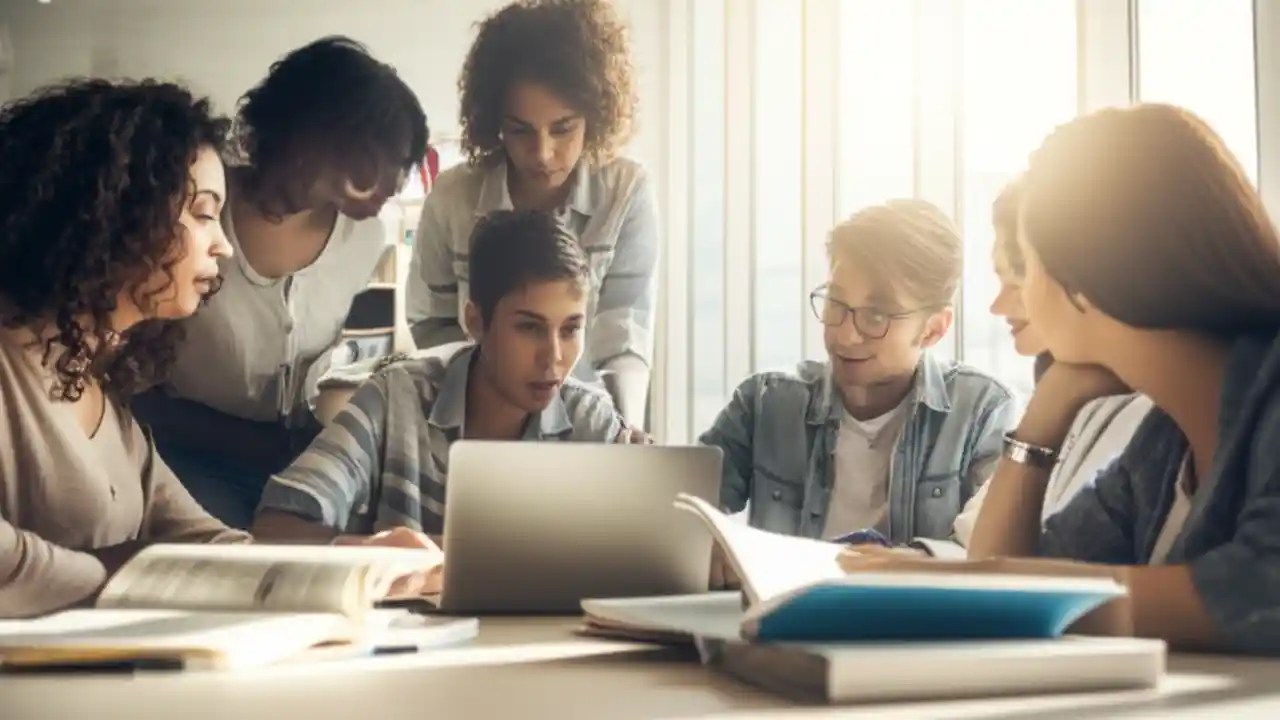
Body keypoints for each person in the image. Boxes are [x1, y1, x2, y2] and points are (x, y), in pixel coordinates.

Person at [844, 104, 1280, 655]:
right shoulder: (1161, 450)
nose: (1012, 297)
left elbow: (1257, 589)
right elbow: (1024, 577)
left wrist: (959, 586)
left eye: (1024, 263)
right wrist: (1045, 416)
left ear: (1085, 269)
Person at [132, 37, 429, 529]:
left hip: (304, 461)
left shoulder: (366, 239)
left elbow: (347, 370)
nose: (389, 183)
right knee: (232, 557)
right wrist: (256, 443)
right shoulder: (198, 214)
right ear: (307, 132)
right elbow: (133, 382)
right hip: (186, 453)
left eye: (398, 168)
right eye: (374, 158)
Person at [253, 210, 630, 542]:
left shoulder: (590, 421)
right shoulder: (396, 398)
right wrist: (380, 555)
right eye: (529, 328)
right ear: (475, 321)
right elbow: (278, 524)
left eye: (570, 329)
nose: (555, 357)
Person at [700, 200, 1018, 544]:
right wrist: (711, 543)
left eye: (876, 316)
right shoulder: (764, 403)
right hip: (790, 599)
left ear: (933, 329)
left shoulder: (981, 411)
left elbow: (991, 549)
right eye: (836, 305)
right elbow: (681, 510)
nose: (846, 335)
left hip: (911, 600)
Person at [406, 0, 657, 427]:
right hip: (479, 420)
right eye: (520, 130)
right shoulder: (451, 198)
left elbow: (623, 338)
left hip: (587, 424)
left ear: (595, 118)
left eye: (563, 128)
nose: (542, 154)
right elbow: (432, 325)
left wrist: (625, 429)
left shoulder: (626, 192)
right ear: (494, 122)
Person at [924, 181, 1153, 555]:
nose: (998, 306)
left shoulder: (1141, 419)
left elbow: (998, 572)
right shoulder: (1069, 392)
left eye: (1017, 281)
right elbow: (977, 543)